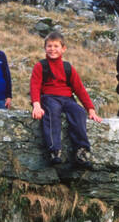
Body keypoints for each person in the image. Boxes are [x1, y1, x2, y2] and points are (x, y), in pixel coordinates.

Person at [29, 31, 100, 168]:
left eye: (56, 46)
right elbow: (35, 86)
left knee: (78, 112)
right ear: (45, 48)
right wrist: (36, 105)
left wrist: (91, 110)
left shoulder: (68, 67)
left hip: (67, 99)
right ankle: (54, 150)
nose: (52, 49)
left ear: (63, 48)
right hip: (48, 98)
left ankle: (81, 151)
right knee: (52, 110)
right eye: (49, 46)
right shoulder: (40, 66)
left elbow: (79, 89)